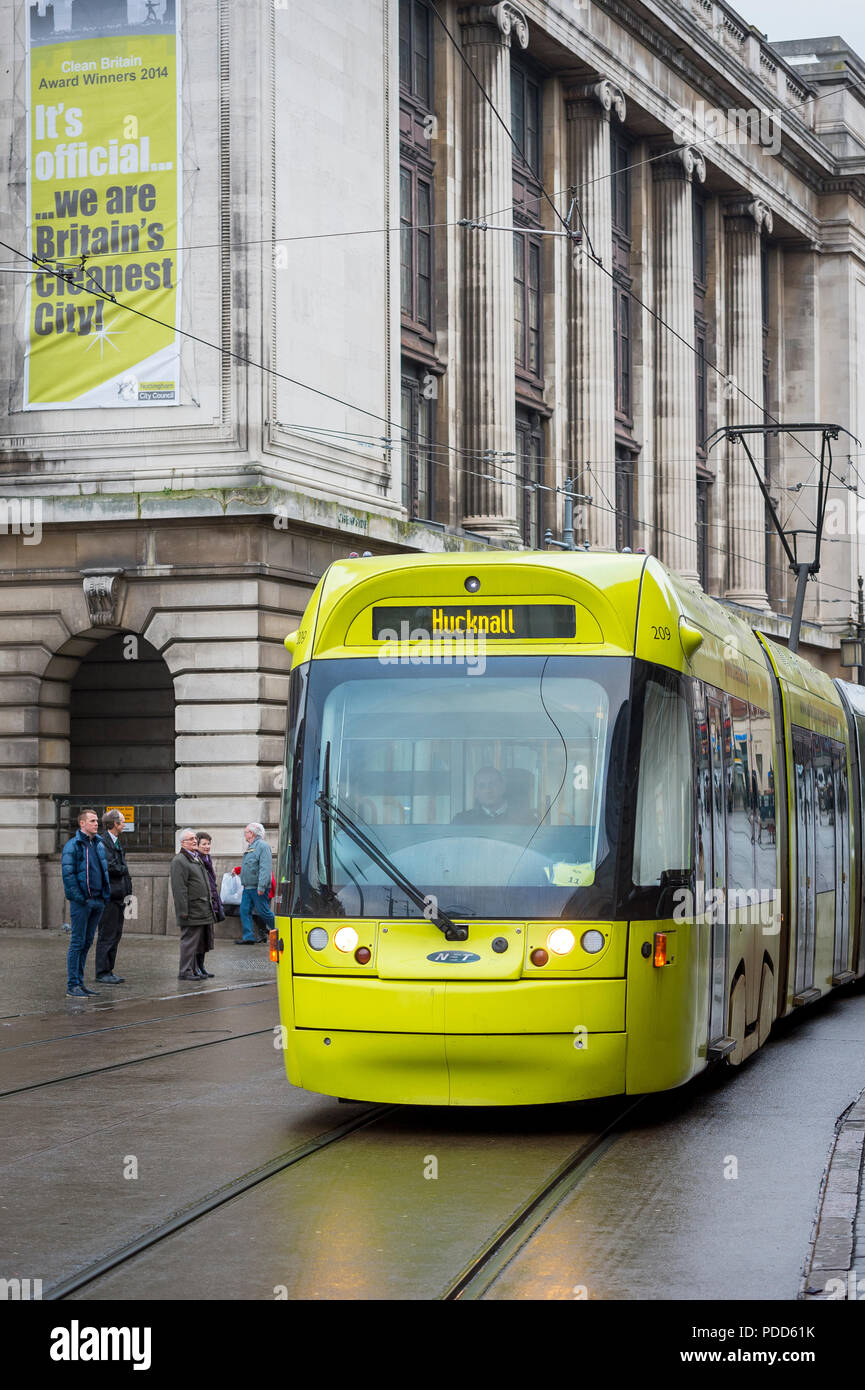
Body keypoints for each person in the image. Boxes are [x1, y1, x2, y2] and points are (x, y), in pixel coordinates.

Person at [62, 809, 111, 998]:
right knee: (77, 942)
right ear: (82, 823)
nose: (96, 823)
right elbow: (69, 876)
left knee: (87, 942)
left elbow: (102, 870)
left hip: (98, 901)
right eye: (92, 821)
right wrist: (81, 898)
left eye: (97, 820)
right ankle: (72, 985)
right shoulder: (73, 845)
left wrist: (103, 896)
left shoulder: (98, 844)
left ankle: (80, 984)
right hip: (82, 903)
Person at [169, 829, 215, 980]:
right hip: (191, 909)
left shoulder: (196, 858)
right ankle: (185, 971)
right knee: (189, 942)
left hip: (201, 908)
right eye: (190, 839)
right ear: (183, 843)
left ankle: (194, 970)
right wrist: (183, 911)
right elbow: (179, 888)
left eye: (195, 838)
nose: (195, 841)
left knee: (198, 943)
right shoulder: (179, 860)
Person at [94, 809, 132, 984]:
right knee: (107, 935)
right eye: (122, 822)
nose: (124, 824)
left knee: (116, 934)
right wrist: (123, 869)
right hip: (109, 897)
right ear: (115, 824)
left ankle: (109, 970)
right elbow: (111, 867)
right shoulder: (103, 842)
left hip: (119, 896)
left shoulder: (116, 841)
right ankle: (102, 972)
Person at [451, 767, 537, 826]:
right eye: (482, 786)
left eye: (493, 784)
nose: (488, 790)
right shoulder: (462, 822)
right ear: (475, 792)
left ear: (503, 787)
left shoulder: (526, 820)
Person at [236, 822, 274, 944]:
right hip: (248, 887)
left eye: (245, 832)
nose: (244, 835)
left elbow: (265, 868)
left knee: (263, 911)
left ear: (251, 833)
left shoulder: (262, 846)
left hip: (258, 887)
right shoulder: (252, 846)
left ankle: (282, 931)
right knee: (244, 910)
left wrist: (261, 886)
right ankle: (248, 937)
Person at [195, 832, 224, 977]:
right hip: (201, 903)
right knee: (199, 938)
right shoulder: (196, 859)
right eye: (204, 844)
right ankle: (196, 967)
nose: (207, 847)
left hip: (210, 902)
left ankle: (202, 966)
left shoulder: (207, 858)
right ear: (197, 845)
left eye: (208, 844)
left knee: (207, 937)